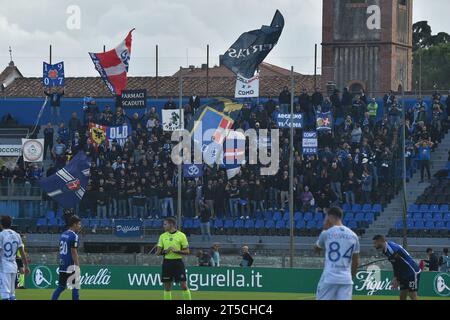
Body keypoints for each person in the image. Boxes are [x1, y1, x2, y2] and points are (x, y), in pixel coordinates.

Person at [314, 207, 360, 300]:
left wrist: (324, 229)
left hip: (329, 277)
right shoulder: (353, 235)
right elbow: (356, 261)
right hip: (346, 279)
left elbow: (316, 248)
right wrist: (351, 277)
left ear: (330, 217)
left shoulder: (326, 233)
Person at [373, 235, 421, 300]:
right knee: (402, 296)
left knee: (412, 295)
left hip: (412, 271)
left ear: (380, 241)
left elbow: (401, 264)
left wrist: (396, 278)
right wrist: (396, 277)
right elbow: (395, 264)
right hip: (404, 272)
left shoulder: (392, 249)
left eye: (375, 243)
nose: (374, 245)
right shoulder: (385, 250)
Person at [156, 217, 191, 301]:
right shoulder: (162, 236)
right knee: (167, 287)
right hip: (167, 262)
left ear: (171, 224)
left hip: (178, 262)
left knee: (184, 285)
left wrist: (177, 251)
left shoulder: (181, 235)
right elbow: (158, 253)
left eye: (165, 224)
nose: (163, 226)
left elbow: (187, 251)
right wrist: (166, 251)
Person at [51, 215, 82, 300]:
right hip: (71, 265)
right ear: (74, 224)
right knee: (75, 287)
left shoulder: (63, 234)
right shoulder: (74, 236)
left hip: (62, 264)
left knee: (61, 287)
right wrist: (77, 265)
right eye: (79, 224)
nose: (80, 226)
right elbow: (73, 252)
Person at [0, 216, 30, 300]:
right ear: (10, 224)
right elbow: (22, 253)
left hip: (4, 267)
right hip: (13, 265)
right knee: (12, 294)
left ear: (1, 224)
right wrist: (26, 266)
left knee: (5, 293)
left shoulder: (1, 235)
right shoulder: (17, 235)